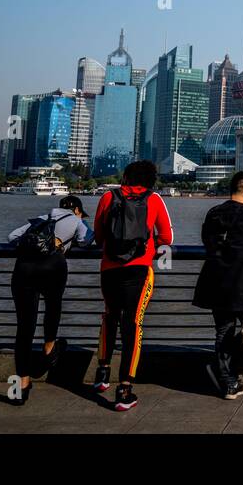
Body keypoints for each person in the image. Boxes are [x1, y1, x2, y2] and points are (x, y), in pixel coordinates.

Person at [92, 160, 174, 411]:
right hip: (139, 270)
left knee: (110, 316)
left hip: (109, 269)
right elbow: (167, 237)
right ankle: (125, 389)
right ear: (151, 180)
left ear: (126, 177)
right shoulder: (155, 199)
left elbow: (98, 237)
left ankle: (103, 372)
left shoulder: (108, 197)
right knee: (134, 324)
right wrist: (148, 245)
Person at [6, 195, 92, 405]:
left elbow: (12, 236)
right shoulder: (77, 221)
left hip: (24, 268)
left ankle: (22, 385)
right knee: (53, 307)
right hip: (53, 267)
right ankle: (49, 348)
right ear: (78, 210)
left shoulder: (40, 219)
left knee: (24, 328)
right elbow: (87, 240)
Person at [193, 171, 243, 400]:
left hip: (216, 282)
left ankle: (227, 379)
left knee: (224, 330)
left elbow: (207, 243)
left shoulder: (214, 213)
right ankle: (230, 375)